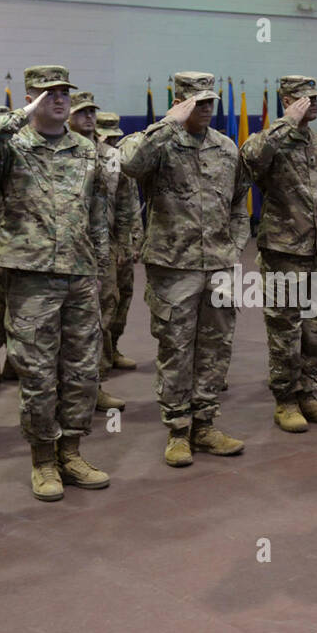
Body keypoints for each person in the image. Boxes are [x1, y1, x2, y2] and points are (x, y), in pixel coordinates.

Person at [0, 66, 111, 500]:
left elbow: (97, 210)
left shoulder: (86, 150)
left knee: (82, 371)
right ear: (31, 98)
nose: (60, 99)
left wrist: (99, 267)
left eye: (64, 92)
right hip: (30, 278)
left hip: (80, 275)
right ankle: (43, 458)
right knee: (39, 374)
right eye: (48, 93)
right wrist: (19, 116)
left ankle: (72, 451)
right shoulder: (11, 146)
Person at [121, 72, 251, 467]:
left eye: (211, 101)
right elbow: (128, 164)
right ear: (179, 104)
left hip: (219, 266)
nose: (207, 108)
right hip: (172, 267)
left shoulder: (227, 148)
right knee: (176, 348)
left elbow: (238, 203)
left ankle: (205, 424)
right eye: (198, 102)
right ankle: (178, 430)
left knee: (215, 348)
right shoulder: (156, 144)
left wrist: (234, 247)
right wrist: (168, 124)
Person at [240, 74, 317, 433]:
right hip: (284, 251)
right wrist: (285, 122)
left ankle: (308, 393)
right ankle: (285, 399)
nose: (312, 103)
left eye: (316, 98)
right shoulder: (271, 143)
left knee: (316, 327)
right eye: (304, 98)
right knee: (285, 328)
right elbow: (249, 159)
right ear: (287, 101)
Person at [68, 90, 140, 409]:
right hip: (57, 252)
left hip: (101, 249)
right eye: (81, 112)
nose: (88, 117)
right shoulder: (53, 150)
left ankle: (93, 386)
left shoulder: (109, 156)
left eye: (91, 112)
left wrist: (123, 242)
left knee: (100, 315)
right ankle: (61, 392)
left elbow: (124, 201)